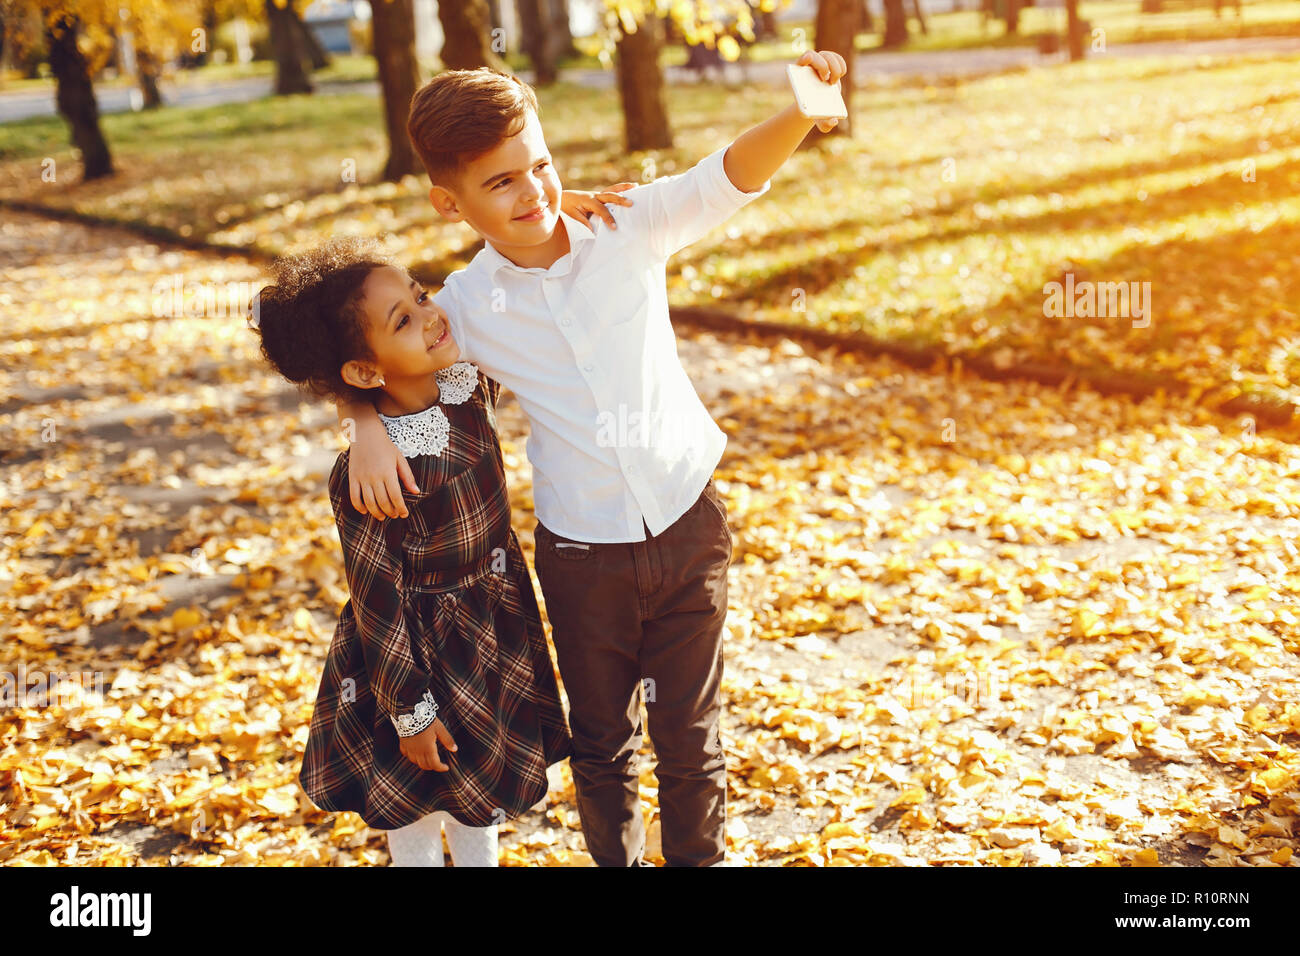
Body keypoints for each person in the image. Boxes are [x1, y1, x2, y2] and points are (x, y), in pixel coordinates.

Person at [337, 50, 848, 866]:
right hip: (582, 554)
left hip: (688, 524)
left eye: (539, 166)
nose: (533, 191)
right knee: (603, 747)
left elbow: (723, 177)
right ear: (449, 202)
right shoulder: (465, 306)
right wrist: (361, 418)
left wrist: (802, 110)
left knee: (690, 741)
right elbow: (383, 358)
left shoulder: (627, 223)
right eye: (500, 182)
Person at [248, 235, 605, 866]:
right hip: (415, 653)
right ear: (363, 370)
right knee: (416, 796)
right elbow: (375, 599)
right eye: (404, 320)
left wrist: (552, 214)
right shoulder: (371, 475)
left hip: (492, 630)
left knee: (478, 786)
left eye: (418, 295)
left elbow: (507, 272)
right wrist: (409, 711)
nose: (430, 314)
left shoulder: (466, 389)